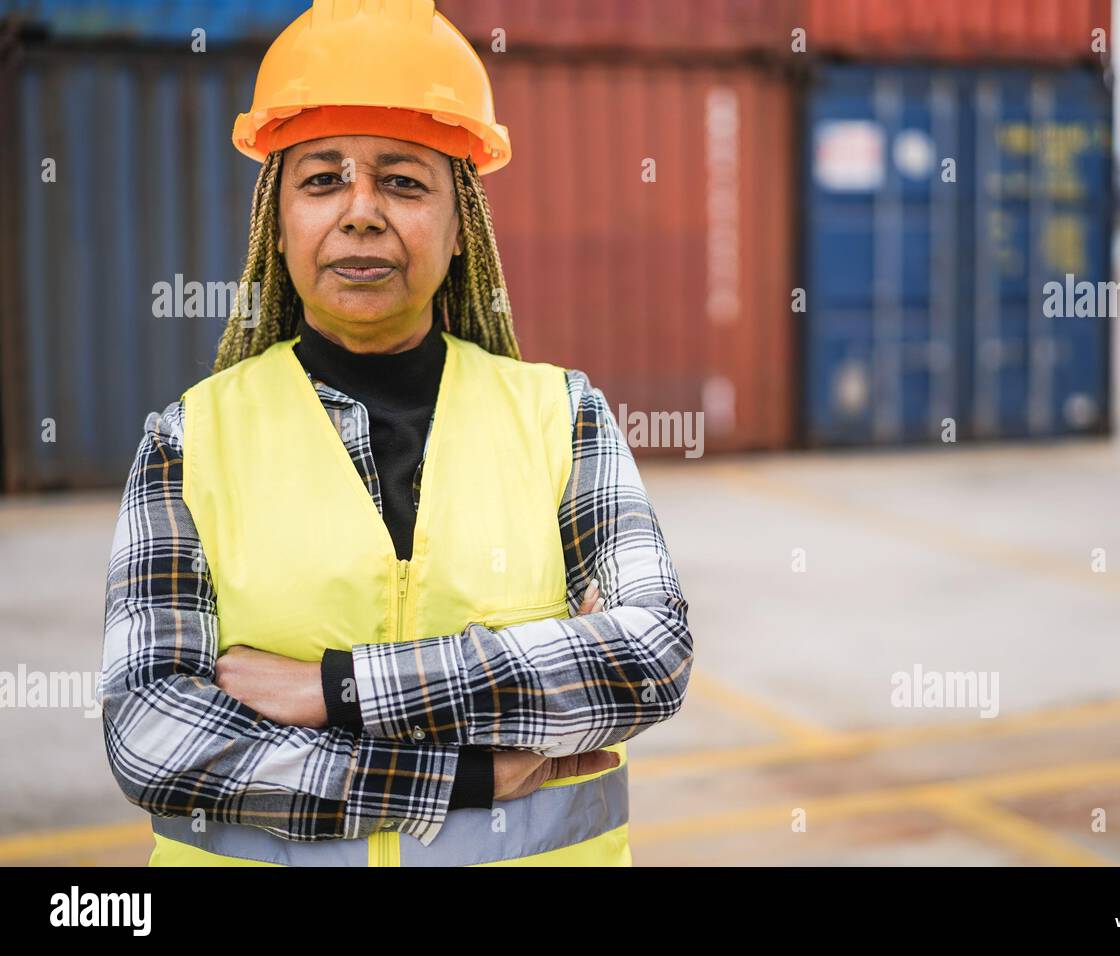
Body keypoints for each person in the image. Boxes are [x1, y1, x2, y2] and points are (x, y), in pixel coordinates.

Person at [98, 0, 692, 867]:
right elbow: (153, 735)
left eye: (404, 180)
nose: (362, 211)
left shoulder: (562, 418)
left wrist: (334, 689)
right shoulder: (189, 441)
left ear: (462, 230)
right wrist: (463, 776)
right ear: (280, 222)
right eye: (322, 178)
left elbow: (649, 656)